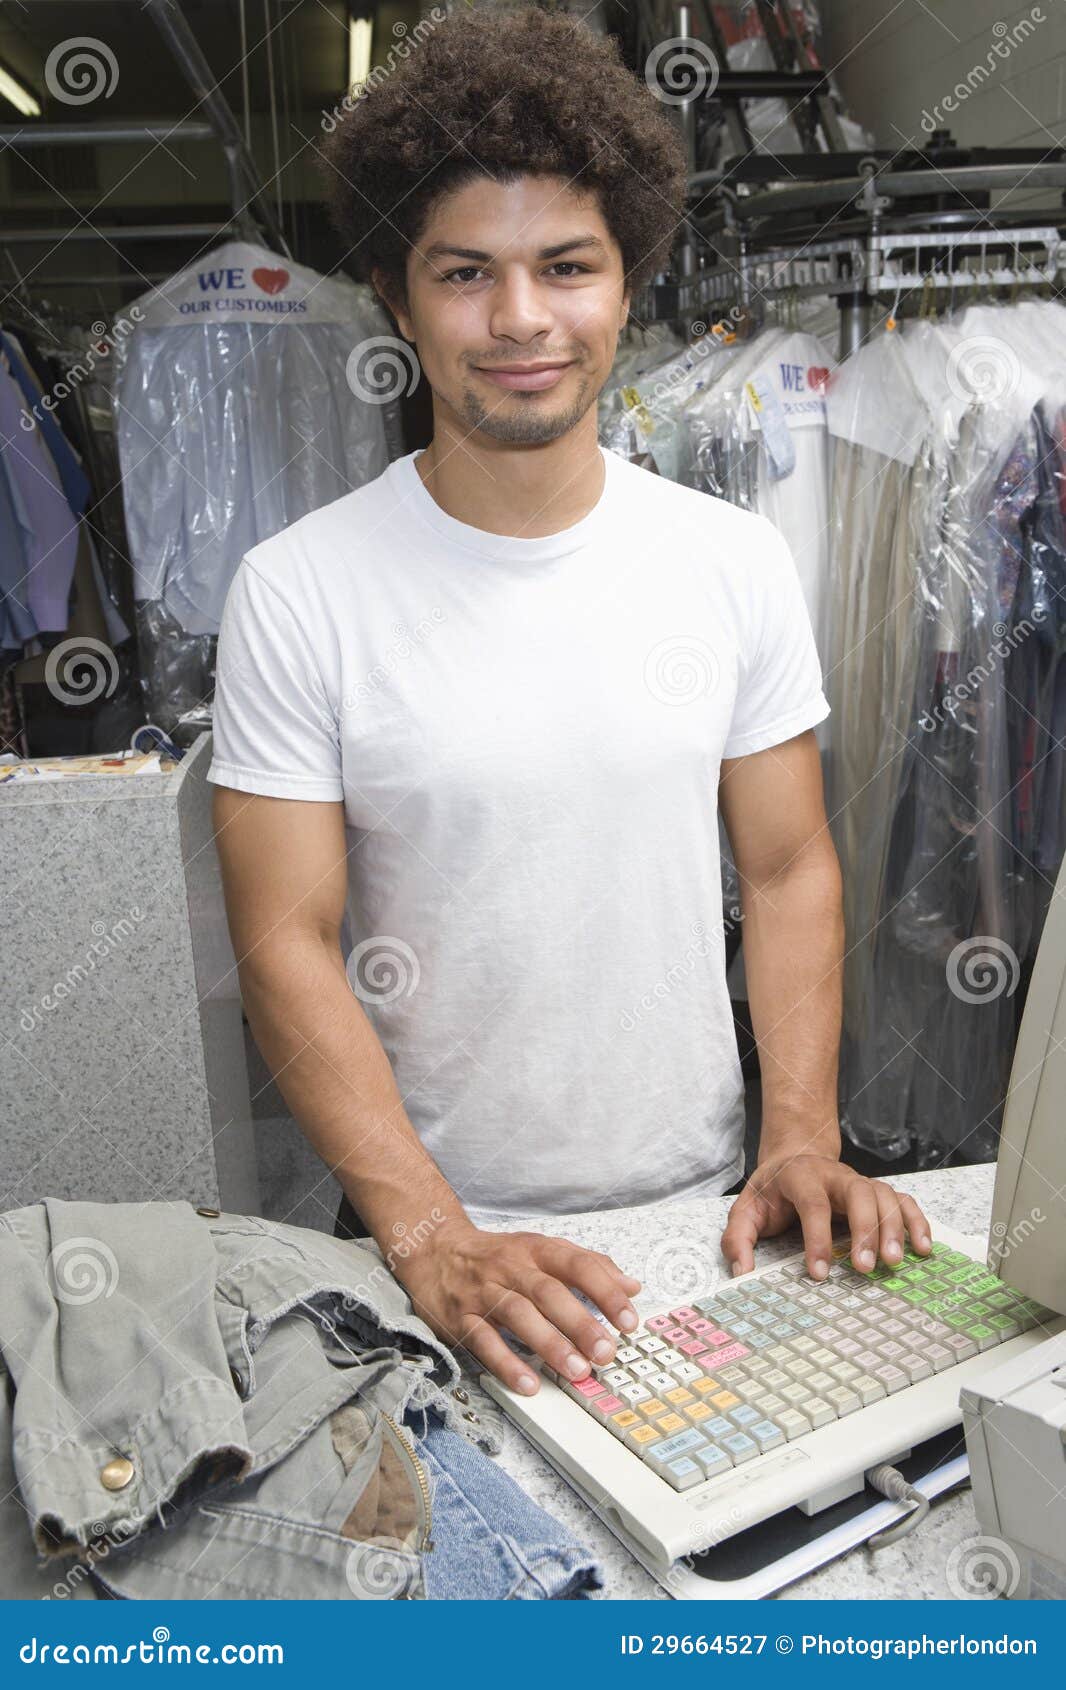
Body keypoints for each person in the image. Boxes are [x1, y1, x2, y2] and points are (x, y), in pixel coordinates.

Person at [208, 5, 930, 1400]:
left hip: (706, 1206)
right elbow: (283, 941)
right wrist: (427, 1230)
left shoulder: (731, 560)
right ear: (397, 296)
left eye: (566, 266)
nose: (521, 319)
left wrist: (798, 1134)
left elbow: (786, 868)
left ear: (626, 279)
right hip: (432, 1232)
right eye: (465, 273)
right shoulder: (299, 589)